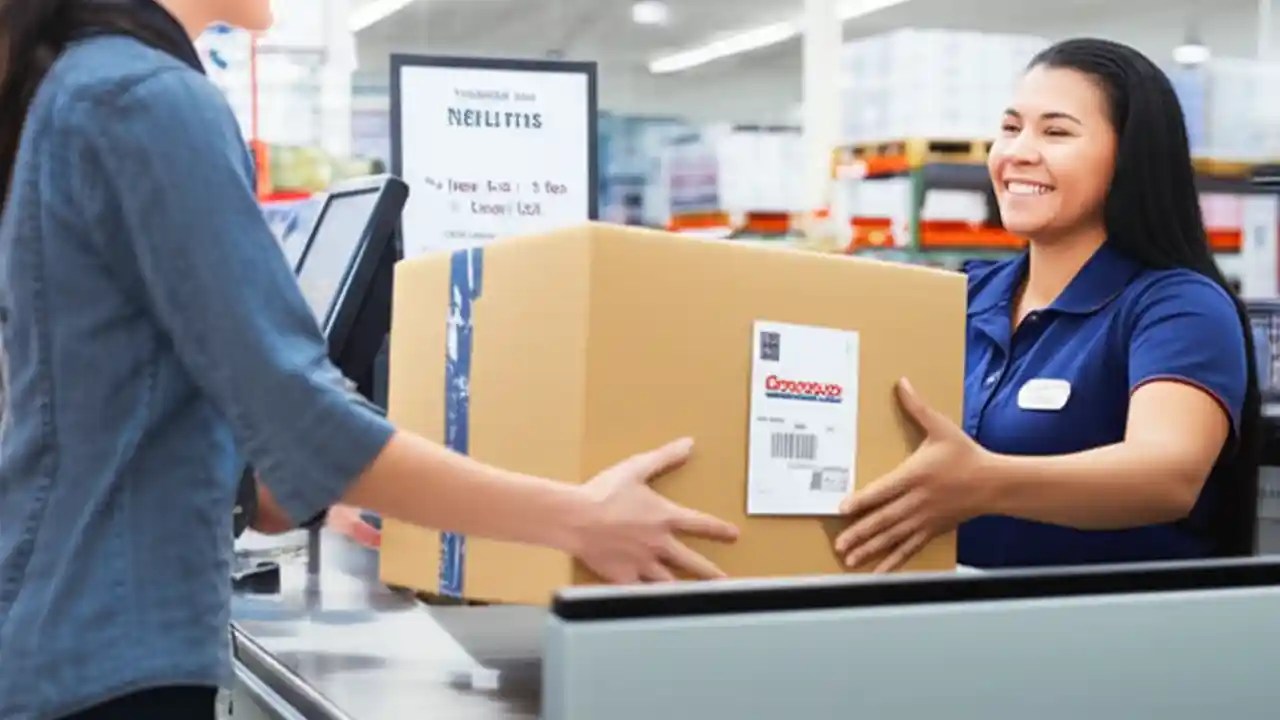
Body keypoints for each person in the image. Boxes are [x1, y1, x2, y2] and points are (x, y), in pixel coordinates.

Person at [0, 1, 739, 718]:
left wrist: (305, 476)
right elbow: (306, 426)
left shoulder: (82, 86)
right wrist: (582, 520)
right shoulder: (148, 101)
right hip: (106, 657)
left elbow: (156, 416)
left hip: (77, 633)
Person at [834, 37, 1262, 573]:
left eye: (1056, 132)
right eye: (1011, 129)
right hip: (953, 629)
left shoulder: (1178, 306)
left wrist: (988, 482)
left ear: (1131, 157)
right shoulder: (961, 297)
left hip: (1115, 638)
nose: (1017, 152)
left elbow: (1168, 474)